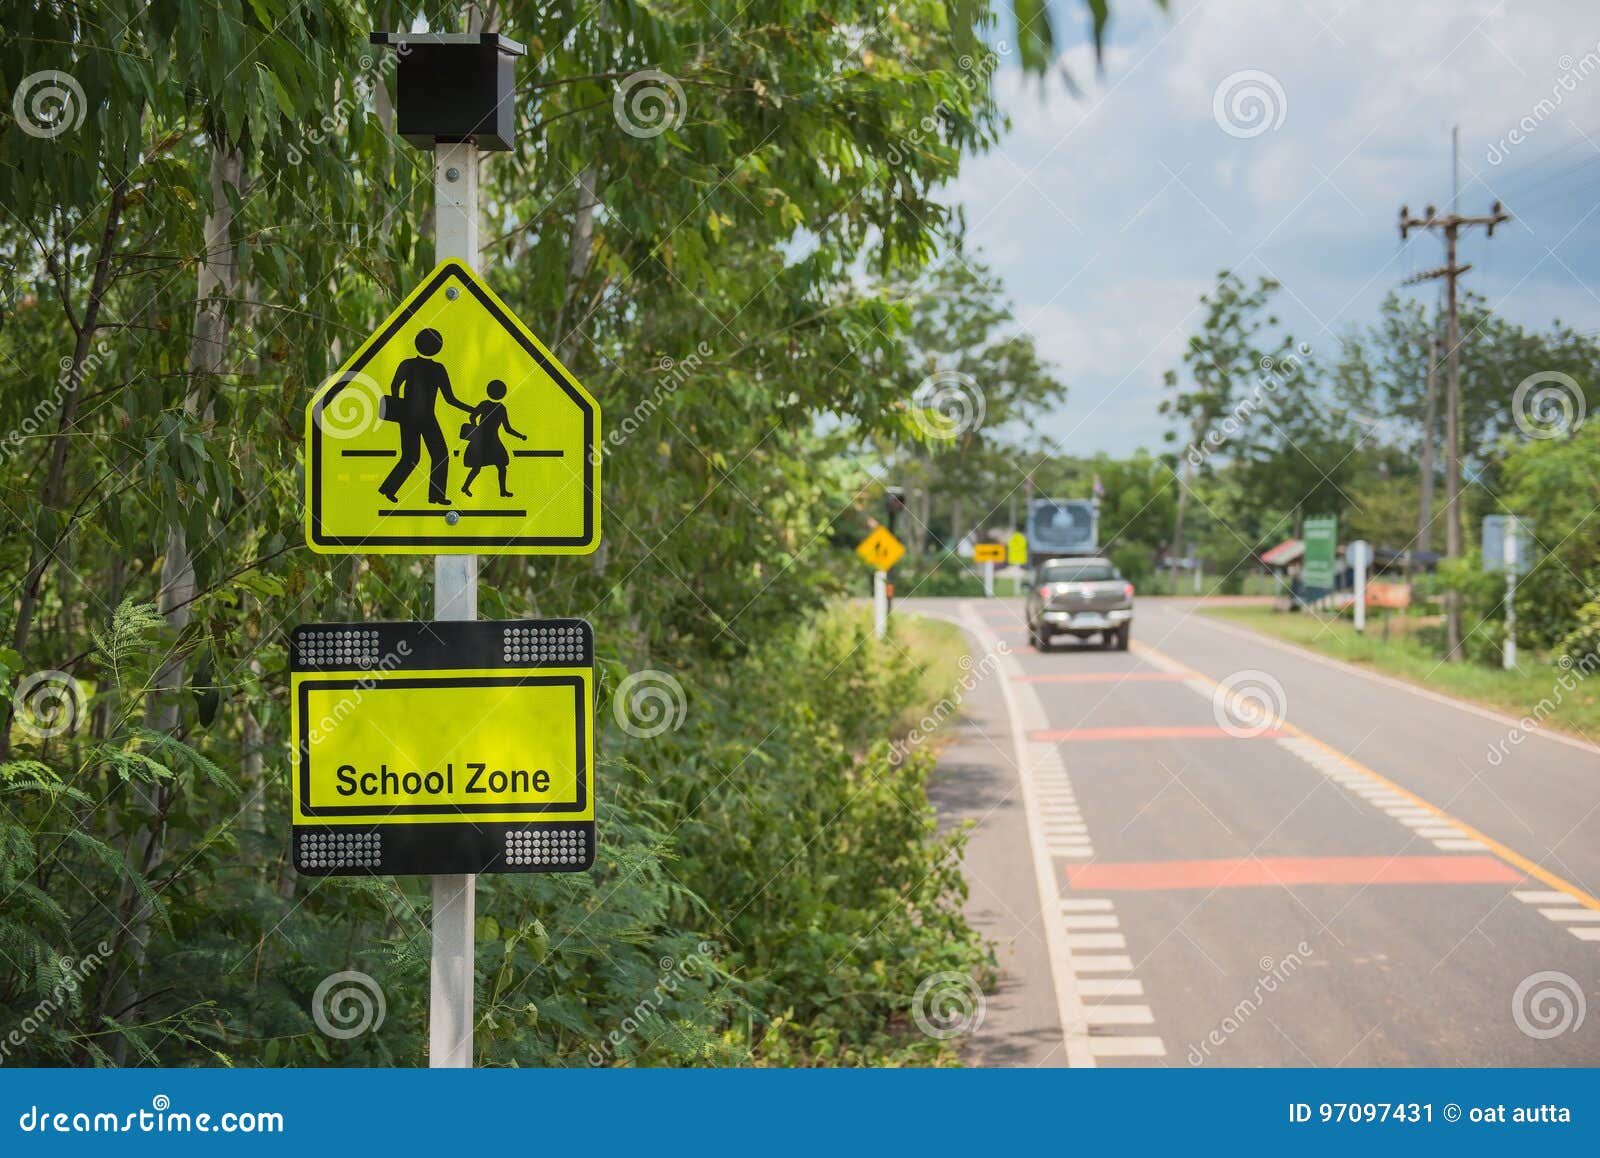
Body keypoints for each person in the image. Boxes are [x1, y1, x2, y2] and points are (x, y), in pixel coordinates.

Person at [378, 328, 471, 504]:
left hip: (416, 417)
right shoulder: (436, 368)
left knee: (418, 457)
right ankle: (393, 490)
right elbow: (451, 399)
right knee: (423, 457)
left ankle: (427, 495)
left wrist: (399, 406)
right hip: (420, 417)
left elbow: (395, 386)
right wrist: (472, 410)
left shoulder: (411, 364)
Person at [461, 379, 527, 498]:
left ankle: (502, 491)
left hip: (489, 440)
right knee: (480, 467)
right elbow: (507, 429)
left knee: (499, 466)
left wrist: (520, 436)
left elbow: (472, 417)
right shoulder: (499, 408)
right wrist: (520, 436)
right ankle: (465, 487)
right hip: (486, 440)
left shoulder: (491, 406)